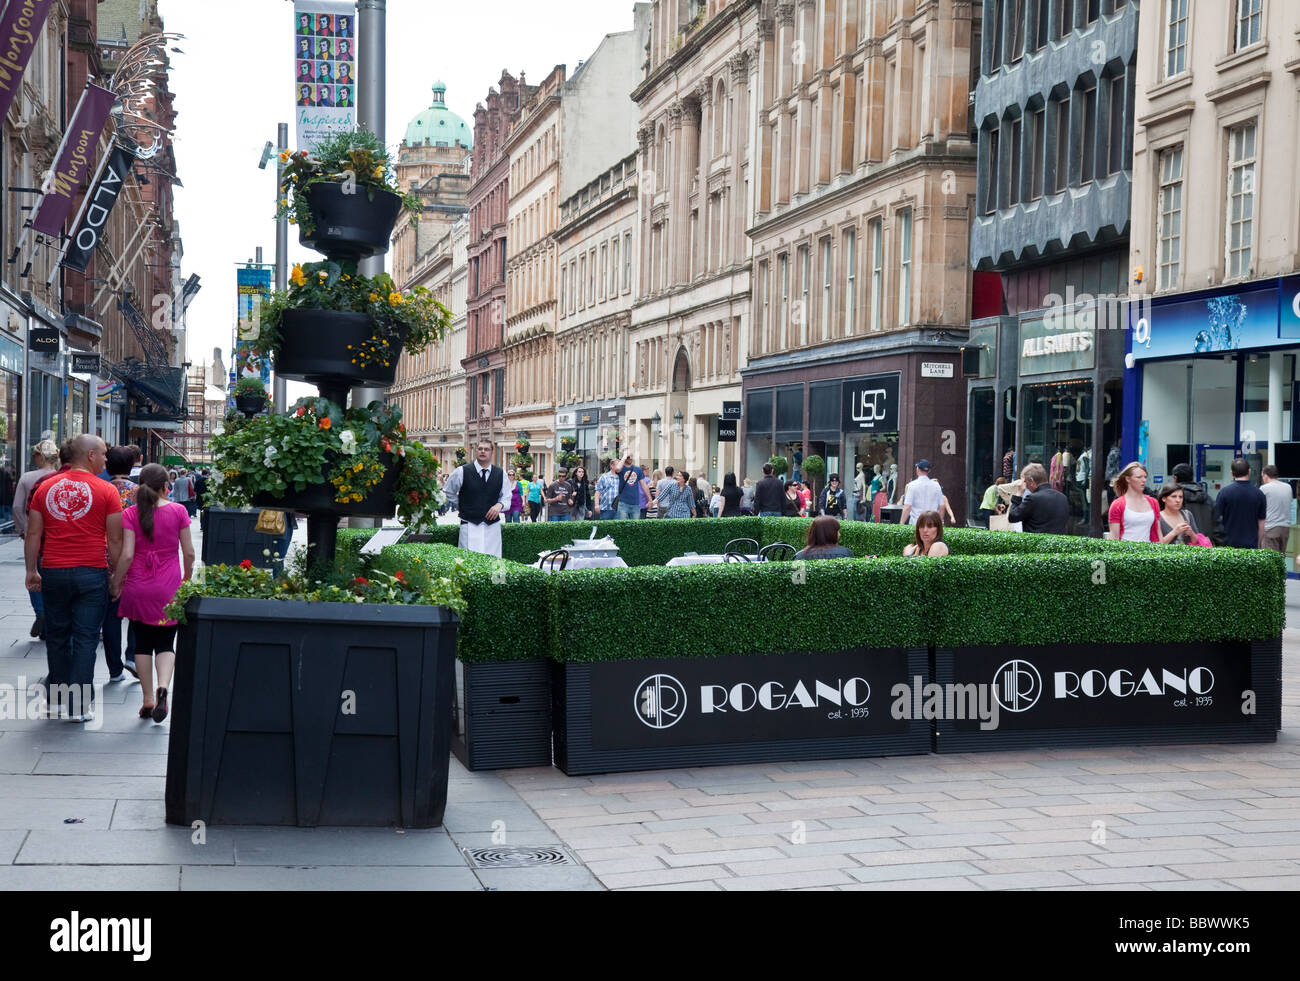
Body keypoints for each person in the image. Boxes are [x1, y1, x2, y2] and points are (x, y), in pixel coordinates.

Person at [24, 436, 122, 722]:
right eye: (103, 454)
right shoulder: (106, 490)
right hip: (91, 572)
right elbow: (115, 539)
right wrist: (115, 575)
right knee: (85, 638)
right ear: (90, 455)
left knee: (57, 636)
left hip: (53, 569)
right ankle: (79, 706)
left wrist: (32, 569)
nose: (106, 459)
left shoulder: (45, 488)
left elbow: (33, 534)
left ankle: (55, 700)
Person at [111, 465, 194, 723]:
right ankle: (163, 688)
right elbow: (189, 553)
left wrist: (116, 582)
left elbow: (126, 554)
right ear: (164, 486)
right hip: (168, 585)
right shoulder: (178, 511)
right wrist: (187, 580)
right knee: (166, 643)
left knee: (143, 643)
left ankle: (147, 699)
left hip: (138, 584)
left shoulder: (131, 513)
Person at [12, 440, 60, 639]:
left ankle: (41, 613)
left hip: (34, 535)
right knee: (53, 580)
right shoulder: (60, 477)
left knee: (33, 574)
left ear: (39, 457)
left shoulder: (27, 478)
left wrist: (23, 528)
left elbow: (16, 507)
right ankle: (52, 617)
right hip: (56, 538)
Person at [102, 446, 140, 682]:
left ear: (107, 466)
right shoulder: (139, 493)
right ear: (132, 465)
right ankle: (133, 656)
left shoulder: (100, 490)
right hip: (133, 557)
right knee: (135, 612)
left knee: (111, 616)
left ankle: (114, 668)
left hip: (103, 559)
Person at [442, 440, 512, 556]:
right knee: (467, 563)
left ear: (492, 452)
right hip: (470, 525)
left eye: (486, 449)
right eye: (480, 449)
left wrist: (500, 505)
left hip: (492, 527)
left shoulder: (501, 474)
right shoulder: (461, 471)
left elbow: (507, 497)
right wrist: (461, 504)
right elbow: (449, 491)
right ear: (475, 451)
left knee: (493, 563)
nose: (483, 451)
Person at [1214, 457, 1266, 549]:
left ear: (1232, 473)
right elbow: (1261, 522)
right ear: (1249, 471)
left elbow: (1218, 519)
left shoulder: (1224, 493)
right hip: (1251, 546)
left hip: (1228, 545)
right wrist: (1258, 543)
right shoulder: (1259, 494)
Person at [1008, 463, 1070, 535]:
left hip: (1036, 544)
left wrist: (1018, 494)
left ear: (1031, 481)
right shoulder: (1063, 497)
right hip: (1058, 544)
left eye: (1024, 482)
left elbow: (1012, 517)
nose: (1025, 486)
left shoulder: (1033, 499)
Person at [1107, 462, 1161, 542]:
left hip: (1149, 552)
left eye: (1145, 477)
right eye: (1139, 477)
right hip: (1125, 552)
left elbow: (1158, 533)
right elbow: (1114, 537)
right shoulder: (1117, 505)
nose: (1143, 480)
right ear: (1128, 479)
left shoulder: (1153, 502)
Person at [1259, 465, 1293, 556]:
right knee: (1281, 559)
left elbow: (1259, 508)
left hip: (1271, 528)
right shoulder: (1288, 487)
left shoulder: (1264, 488)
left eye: (1262, 476)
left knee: (1270, 560)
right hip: (1285, 528)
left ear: (1266, 475)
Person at [899, 460, 945, 525]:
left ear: (917, 469)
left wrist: (902, 523)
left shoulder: (912, 485)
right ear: (929, 471)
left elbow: (907, 507)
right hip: (932, 524)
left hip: (916, 523)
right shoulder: (936, 486)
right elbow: (942, 507)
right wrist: (940, 523)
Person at [616, 453, 650, 520]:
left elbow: (644, 485)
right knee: (623, 526)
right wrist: (624, 456)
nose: (630, 458)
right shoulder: (621, 468)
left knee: (635, 527)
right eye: (628, 457)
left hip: (636, 504)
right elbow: (617, 469)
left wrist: (650, 499)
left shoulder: (637, 469)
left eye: (631, 456)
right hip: (623, 503)